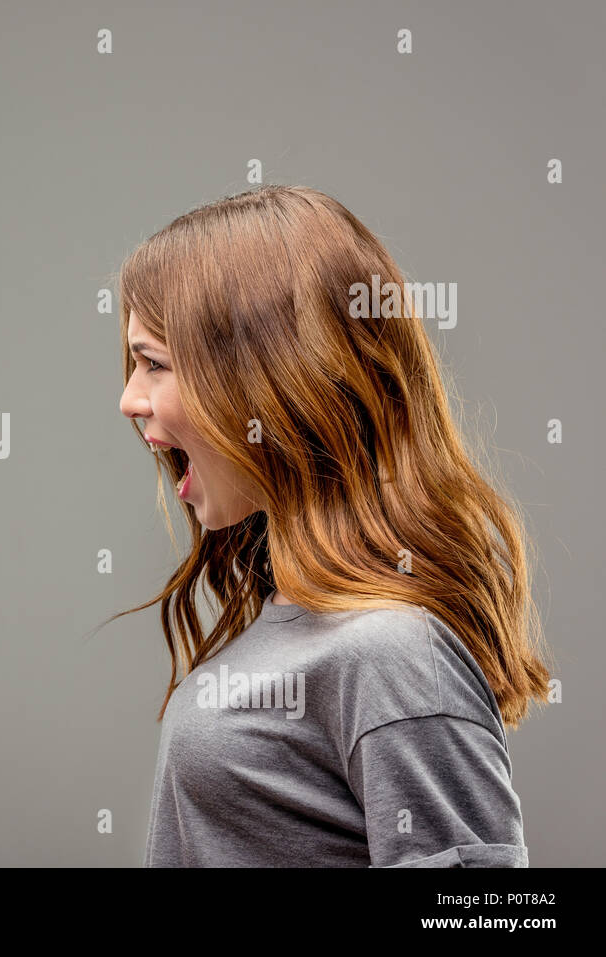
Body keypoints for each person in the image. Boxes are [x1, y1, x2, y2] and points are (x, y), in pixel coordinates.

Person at [112, 185, 552, 867]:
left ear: (269, 381)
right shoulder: (296, 619)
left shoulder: (392, 650)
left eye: (155, 363)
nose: (129, 399)